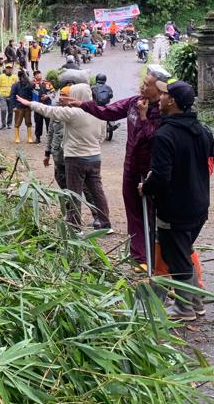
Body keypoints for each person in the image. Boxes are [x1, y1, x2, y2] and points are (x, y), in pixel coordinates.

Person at [62, 65, 170, 264]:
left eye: (147, 85)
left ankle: (157, 258)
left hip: (151, 171)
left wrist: (145, 116)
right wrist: (82, 105)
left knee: (152, 213)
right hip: (131, 165)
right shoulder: (133, 102)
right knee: (133, 211)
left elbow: (155, 139)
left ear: (160, 90)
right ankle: (139, 257)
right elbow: (108, 112)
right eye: (143, 83)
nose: (142, 87)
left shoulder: (164, 111)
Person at [140, 80, 214, 321]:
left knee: (178, 257)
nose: (160, 98)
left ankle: (184, 308)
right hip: (199, 204)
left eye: (164, 95)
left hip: (175, 208)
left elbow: (161, 177)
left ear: (171, 101)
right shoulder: (202, 131)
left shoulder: (166, 134)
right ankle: (195, 302)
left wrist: (146, 187)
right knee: (184, 251)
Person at [18, 83, 111, 231]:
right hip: (94, 157)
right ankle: (105, 223)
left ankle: (75, 227)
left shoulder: (74, 113)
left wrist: (30, 103)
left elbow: (49, 111)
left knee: (74, 192)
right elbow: (102, 136)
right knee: (97, 191)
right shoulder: (99, 112)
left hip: (75, 158)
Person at [10, 70, 35, 144]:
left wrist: (32, 105)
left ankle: (29, 137)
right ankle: (17, 137)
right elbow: (12, 96)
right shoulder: (15, 85)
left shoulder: (29, 85)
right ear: (20, 77)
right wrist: (14, 106)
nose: (25, 78)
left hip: (27, 107)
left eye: (26, 76)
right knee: (17, 122)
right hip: (18, 106)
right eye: (23, 76)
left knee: (28, 122)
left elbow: (33, 92)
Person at [32, 70, 54, 144]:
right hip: (37, 107)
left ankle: (50, 138)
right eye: (36, 74)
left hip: (47, 106)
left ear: (41, 75)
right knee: (38, 123)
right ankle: (37, 138)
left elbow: (53, 93)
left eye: (39, 74)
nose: (38, 75)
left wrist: (47, 96)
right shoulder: (33, 84)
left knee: (49, 123)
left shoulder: (47, 83)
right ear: (34, 76)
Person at [0, 61, 17, 130]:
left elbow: (17, 86)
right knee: (3, 110)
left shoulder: (15, 77)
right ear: (5, 69)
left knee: (10, 111)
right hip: (3, 95)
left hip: (11, 96)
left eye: (10, 68)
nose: (9, 69)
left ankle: (9, 124)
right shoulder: (1, 76)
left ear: (12, 69)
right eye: (7, 68)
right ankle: (3, 124)